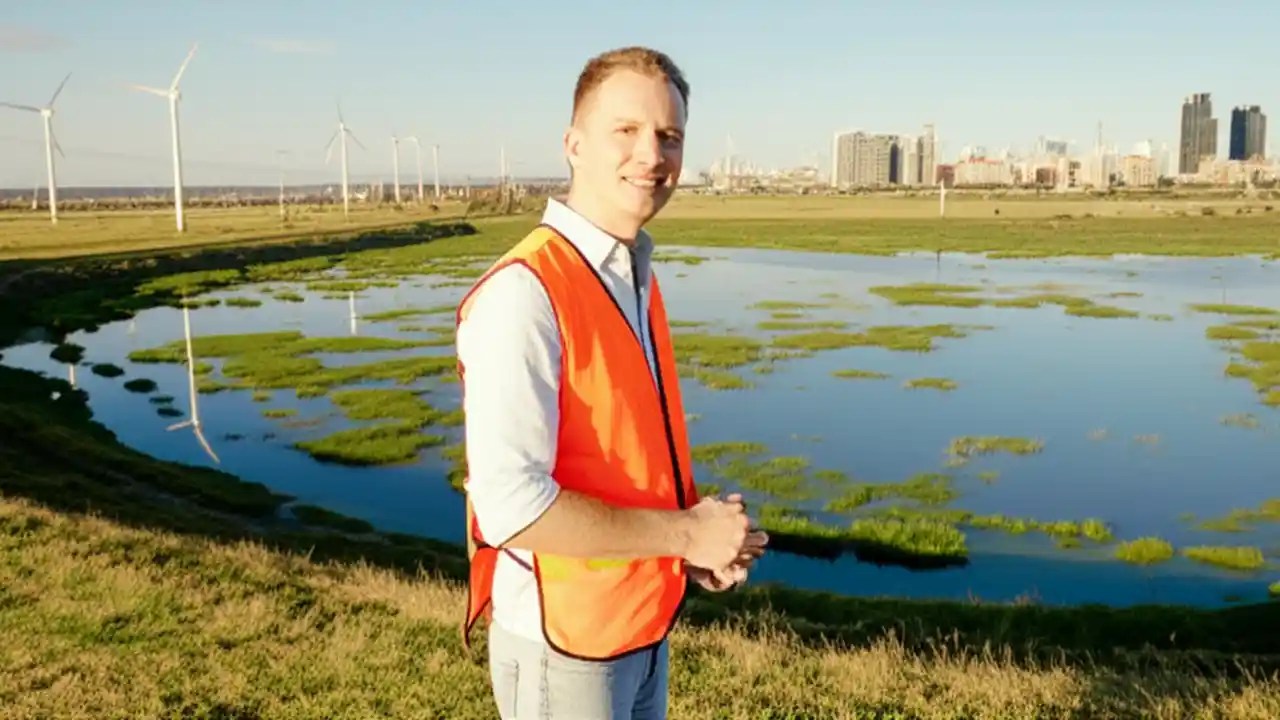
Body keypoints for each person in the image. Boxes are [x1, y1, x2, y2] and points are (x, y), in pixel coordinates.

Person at [454, 46, 769, 719]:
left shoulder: (630, 276)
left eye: (669, 136)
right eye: (625, 130)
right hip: (565, 647)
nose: (651, 154)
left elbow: (619, 458)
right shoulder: (525, 293)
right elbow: (510, 507)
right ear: (574, 145)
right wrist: (685, 535)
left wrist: (696, 542)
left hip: (640, 624)